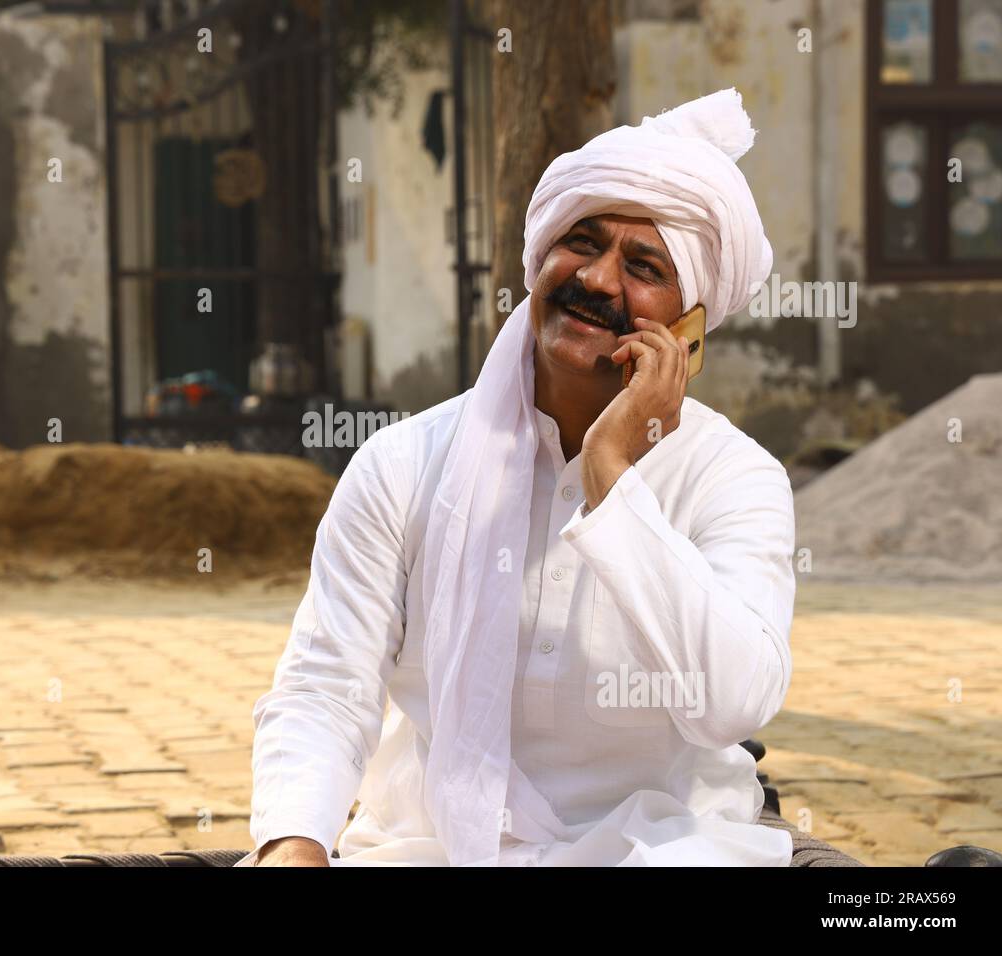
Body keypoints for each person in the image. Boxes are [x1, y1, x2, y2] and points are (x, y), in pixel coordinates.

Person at [240, 88, 796, 867]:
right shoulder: (403, 465)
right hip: (430, 847)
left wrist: (611, 477)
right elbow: (328, 685)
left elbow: (733, 700)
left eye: (643, 266)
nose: (599, 280)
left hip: (660, 847)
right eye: (582, 242)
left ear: (689, 325)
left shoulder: (734, 478)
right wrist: (293, 844)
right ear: (541, 259)